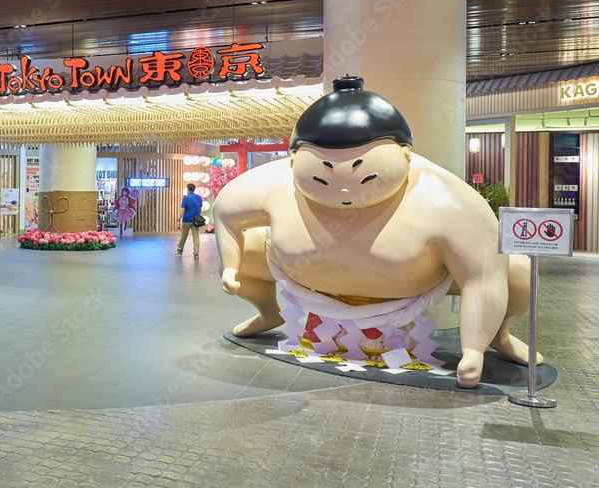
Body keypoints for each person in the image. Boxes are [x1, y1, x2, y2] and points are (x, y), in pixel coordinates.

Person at [213, 76, 539, 388]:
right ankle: (269, 314)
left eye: (363, 175)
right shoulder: (275, 181)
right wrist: (229, 267)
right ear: (294, 159)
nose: (344, 191)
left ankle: (500, 336)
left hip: (412, 282)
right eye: (323, 176)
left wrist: (473, 349)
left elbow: (481, 277)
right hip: (306, 275)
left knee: (518, 272)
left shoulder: (447, 200)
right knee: (243, 258)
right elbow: (226, 214)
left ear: (405, 155)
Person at [176, 183, 203, 258]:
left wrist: (178, 219)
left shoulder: (185, 198)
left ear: (187, 189)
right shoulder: (199, 198)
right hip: (196, 220)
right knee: (196, 236)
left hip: (186, 219)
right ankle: (196, 253)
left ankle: (179, 250)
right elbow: (200, 209)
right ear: (194, 189)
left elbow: (182, 210)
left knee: (183, 235)